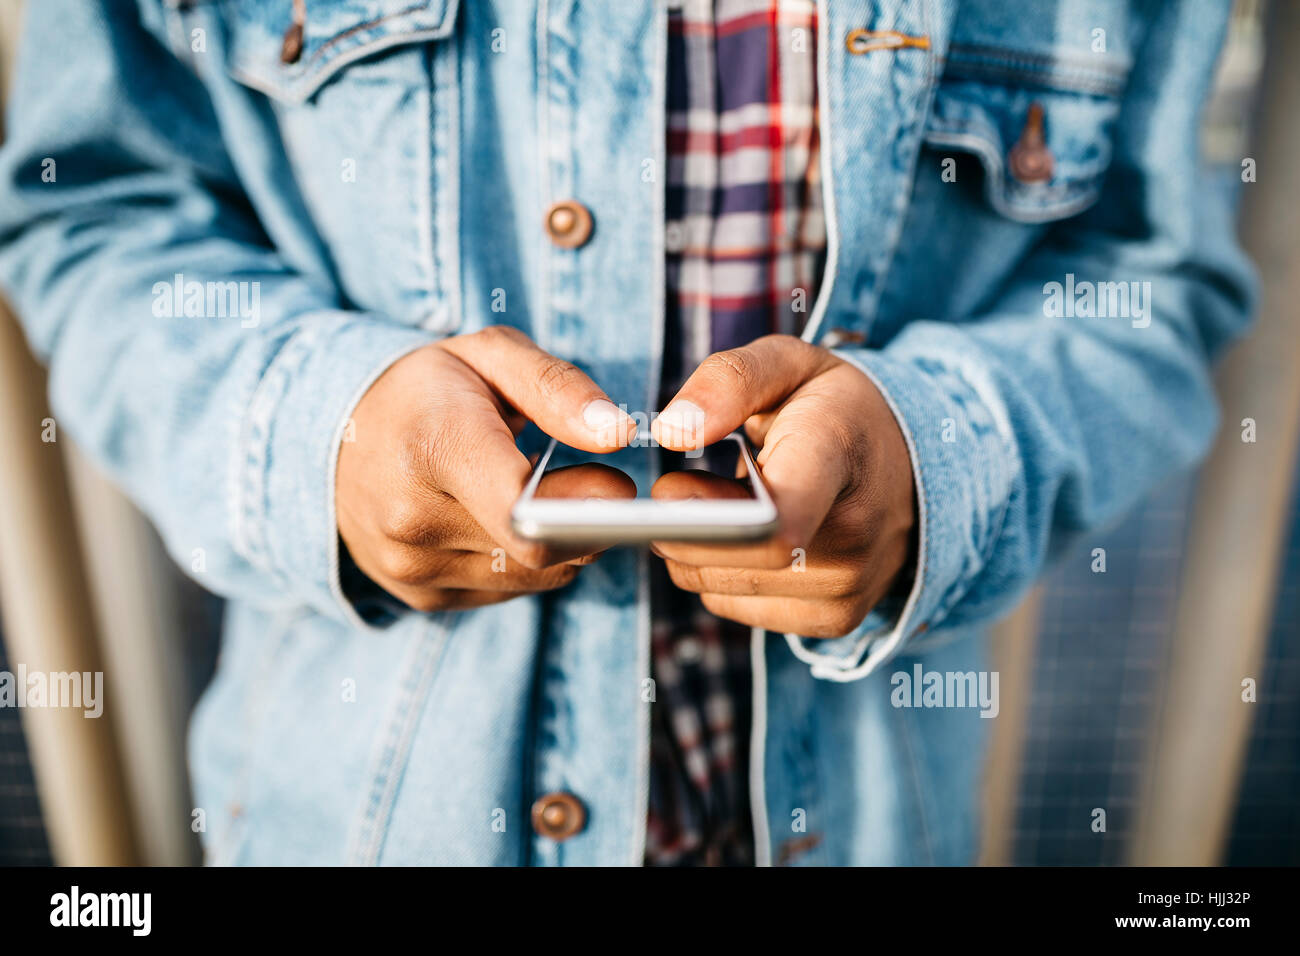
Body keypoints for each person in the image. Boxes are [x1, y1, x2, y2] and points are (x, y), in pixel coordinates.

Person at [0, 0, 1254, 865]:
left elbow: (1149, 275)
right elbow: (93, 209)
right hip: (363, 817)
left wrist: (941, 456)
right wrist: (325, 434)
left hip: (879, 817)